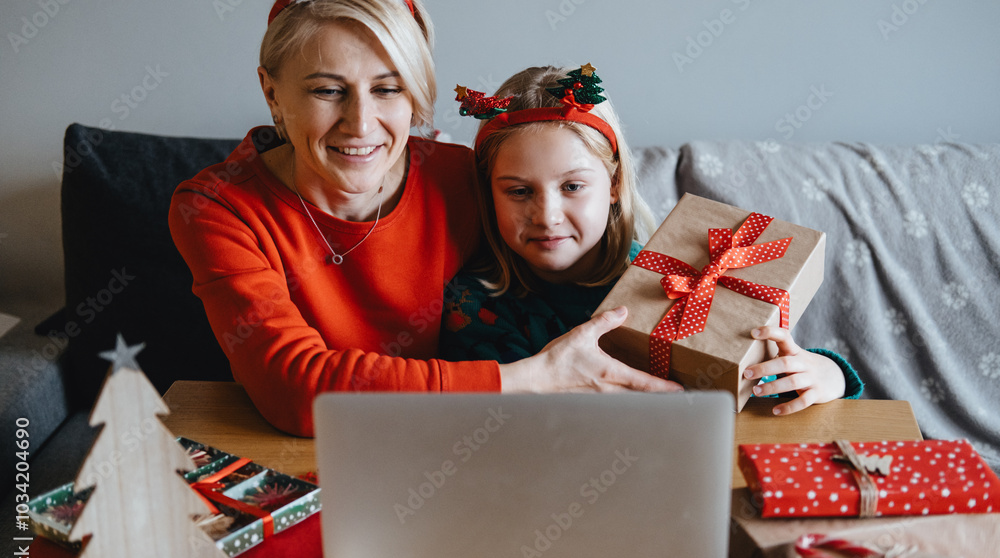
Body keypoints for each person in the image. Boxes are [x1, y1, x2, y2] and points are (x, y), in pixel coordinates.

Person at [168, 1, 678, 438]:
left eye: (388, 89)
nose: (361, 123)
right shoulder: (217, 208)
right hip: (302, 455)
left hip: (453, 445)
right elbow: (296, 390)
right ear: (272, 92)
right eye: (327, 90)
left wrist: (749, 349)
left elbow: (572, 273)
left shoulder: (461, 178)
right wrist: (532, 378)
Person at [440, 65, 863, 415]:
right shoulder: (473, 301)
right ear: (487, 191)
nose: (546, 215)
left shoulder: (667, 279)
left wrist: (829, 373)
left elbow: (754, 375)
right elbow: (472, 419)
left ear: (613, 183)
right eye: (519, 191)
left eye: (572, 187)